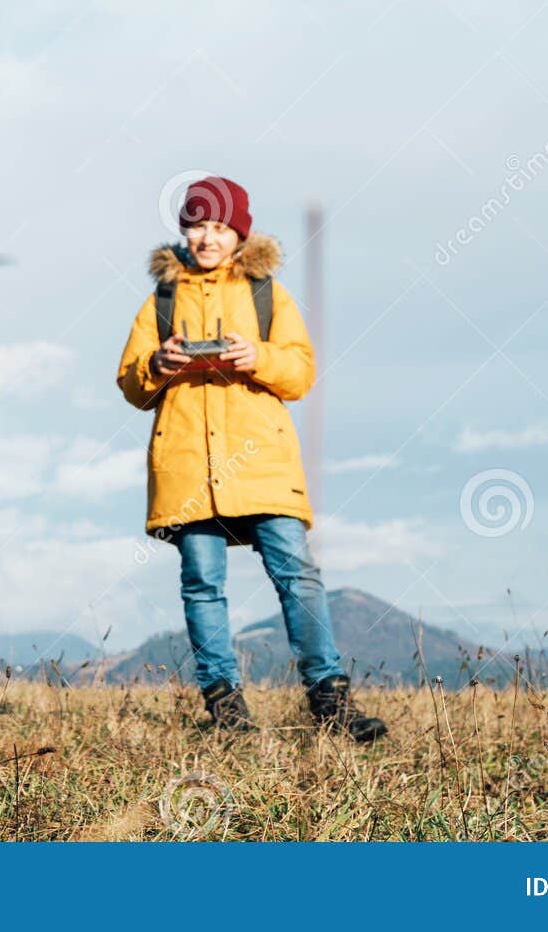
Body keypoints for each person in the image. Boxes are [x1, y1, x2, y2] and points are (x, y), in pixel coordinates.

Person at [116, 175, 387, 742]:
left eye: (218, 227)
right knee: (202, 583)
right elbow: (131, 384)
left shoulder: (268, 294)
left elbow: (301, 373)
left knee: (298, 575)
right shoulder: (161, 300)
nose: (206, 238)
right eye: (196, 226)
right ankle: (227, 713)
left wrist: (255, 356)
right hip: (187, 464)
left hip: (261, 462)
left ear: (239, 234)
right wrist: (158, 367)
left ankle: (330, 702)